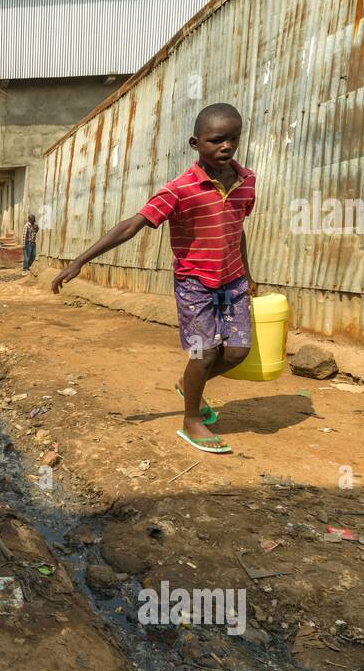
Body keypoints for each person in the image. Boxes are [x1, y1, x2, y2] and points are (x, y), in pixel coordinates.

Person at [51, 103, 257, 455]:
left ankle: (188, 382)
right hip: (195, 285)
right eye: (216, 140)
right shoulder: (180, 190)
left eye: (233, 139)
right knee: (203, 353)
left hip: (233, 282)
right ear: (196, 143)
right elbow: (132, 225)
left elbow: (236, 230)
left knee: (238, 352)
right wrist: (79, 261)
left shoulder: (246, 181)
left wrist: (248, 274)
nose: (226, 147)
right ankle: (191, 419)